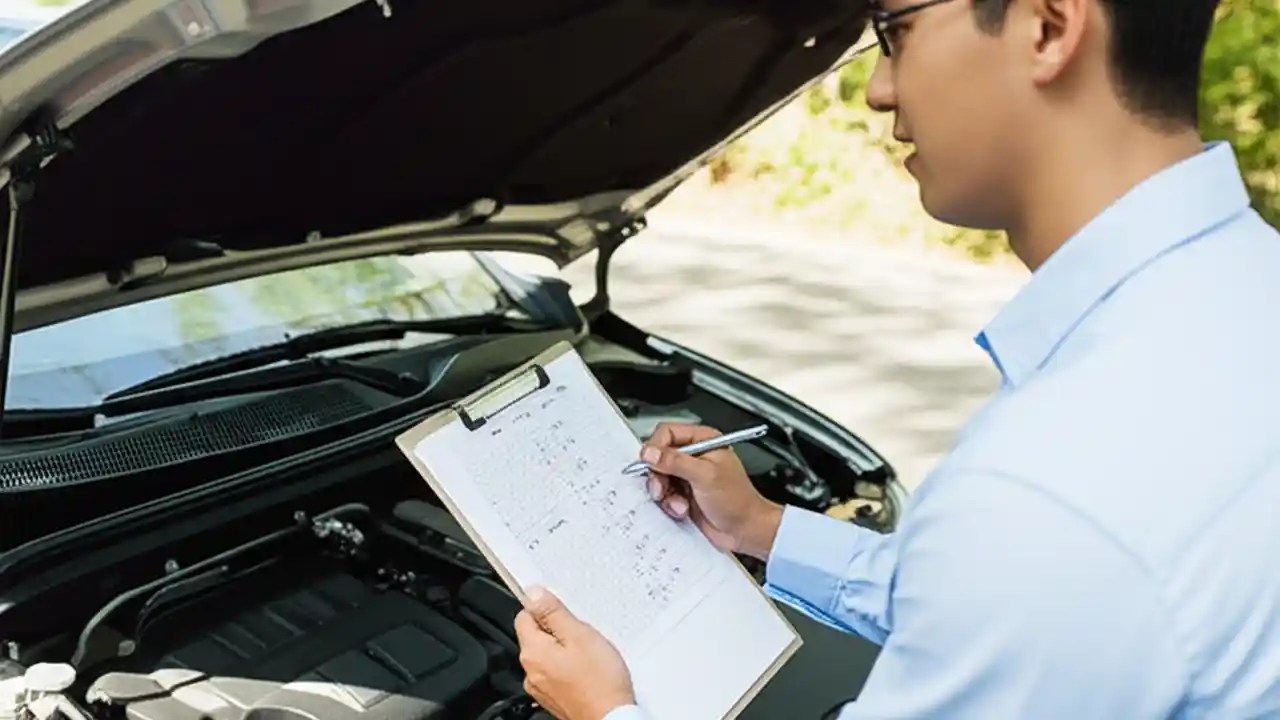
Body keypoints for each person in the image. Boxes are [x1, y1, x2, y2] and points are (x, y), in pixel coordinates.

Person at [512, 0, 1280, 717]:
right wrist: (764, 526)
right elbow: (1002, 603)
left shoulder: (1051, 486)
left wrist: (607, 710)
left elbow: (1043, 564)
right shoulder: (1245, 291)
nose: (878, 90)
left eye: (894, 33)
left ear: (1047, 27)